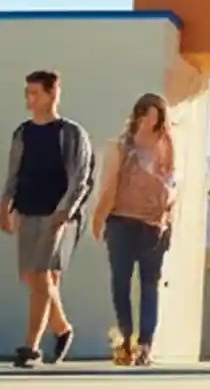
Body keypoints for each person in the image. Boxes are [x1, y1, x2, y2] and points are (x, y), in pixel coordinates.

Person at [1, 70, 94, 369]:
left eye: (35, 93)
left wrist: (65, 212)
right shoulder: (23, 132)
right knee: (31, 276)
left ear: (53, 94)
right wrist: (5, 205)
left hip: (58, 214)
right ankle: (62, 327)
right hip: (27, 210)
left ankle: (31, 347)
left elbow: (80, 177)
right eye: (27, 93)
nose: (30, 99)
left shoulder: (71, 133)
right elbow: (13, 171)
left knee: (42, 275)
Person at [90, 93, 178, 367]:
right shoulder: (121, 147)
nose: (150, 120)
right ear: (138, 114)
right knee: (120, 282)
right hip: (121, 222)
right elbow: (109, 186)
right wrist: (99, 218)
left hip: (154, 226)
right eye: (146, 114)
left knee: (149, 285)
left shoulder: (168, 148)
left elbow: (175, 189)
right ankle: (125, 338)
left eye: (156, 116)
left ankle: (145, 345)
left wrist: (169, 223)